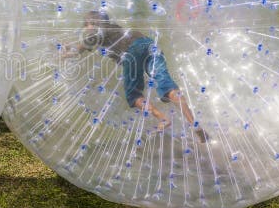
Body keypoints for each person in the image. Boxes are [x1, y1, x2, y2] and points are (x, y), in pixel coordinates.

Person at [63, 11, 208, 142]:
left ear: (93, 23)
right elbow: (81, 45)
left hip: (131, 51)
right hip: (148, 43)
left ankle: (162, 118)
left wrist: (62, 54)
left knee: (133, 94)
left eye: (87, 24)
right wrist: (71, 46)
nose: (87, 27)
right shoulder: (114, 28)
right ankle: (194, 124)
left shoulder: (95, 32)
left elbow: (78, 50)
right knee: (167, 84)